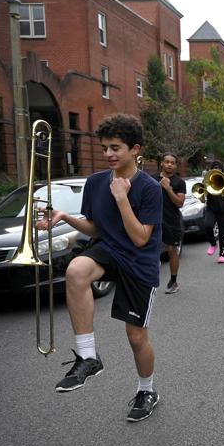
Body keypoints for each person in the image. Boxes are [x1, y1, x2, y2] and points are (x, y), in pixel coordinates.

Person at [38, 113, 163, 422]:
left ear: (135, 149)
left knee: (136, 337)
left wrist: (122, 198)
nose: (108, 154)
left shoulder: (149, 188)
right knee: (76, 270)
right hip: (108, 249)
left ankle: (147, 390)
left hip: (138, 260)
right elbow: (95, 228)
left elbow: (139, 237)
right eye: (105, 147)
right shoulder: (95, 183)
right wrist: (65, 218)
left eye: (116, 147)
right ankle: (88, 355)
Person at [154, 152, 186, 294]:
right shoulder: (152, 178)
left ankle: (173, 282)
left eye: (172, 163)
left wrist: (168, 188)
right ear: (162, 163)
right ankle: (148, 280)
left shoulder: (179, 182)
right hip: (153, 221)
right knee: (150, 250)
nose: (169, 165)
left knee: (172, 251)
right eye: (167, 162)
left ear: (176, 165)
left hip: (172, 221)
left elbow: (179, 203)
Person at [203, 160, 224, 263]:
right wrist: (201, 196)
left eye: (219, 168)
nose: (217, 169)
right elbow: (203, 195)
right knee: (207, 226)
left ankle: (222, 255)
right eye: (215, 168)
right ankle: (213, 244)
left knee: (223, 233)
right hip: (211, 209)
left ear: (222, 169)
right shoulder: (208, 180)